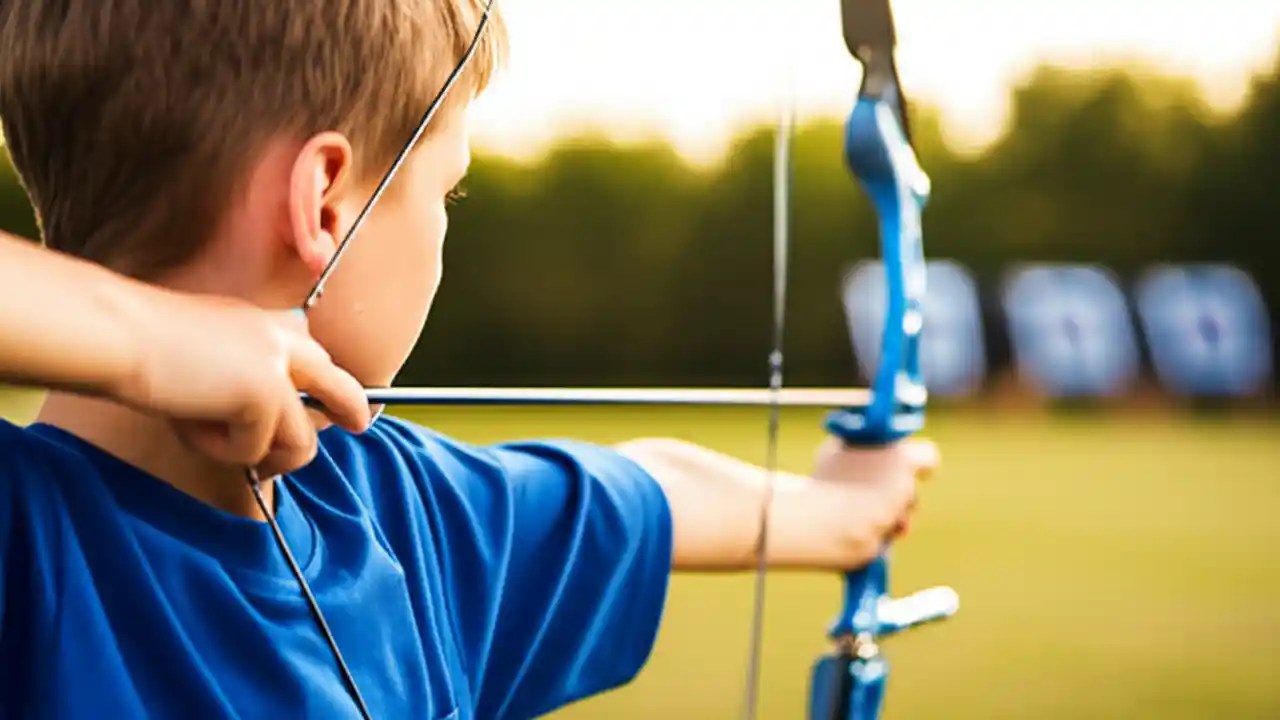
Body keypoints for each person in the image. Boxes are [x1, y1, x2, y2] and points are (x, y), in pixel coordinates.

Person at [0, 2, 939, 718]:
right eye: (446, 190)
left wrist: (844, 514)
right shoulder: (30, 539)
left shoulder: (408, 517)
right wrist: (145, 341)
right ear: (327, 202)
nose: (444, 226)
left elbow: (648, 491)